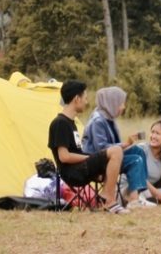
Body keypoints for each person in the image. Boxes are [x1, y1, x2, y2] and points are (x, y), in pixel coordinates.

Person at [47, 79, 129, 214]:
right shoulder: (60, 123)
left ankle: (107, 199)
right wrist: (91, 158)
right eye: (84, 98)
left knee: (115, 155)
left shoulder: (70, 122)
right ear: (76, 99)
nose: (86, 102)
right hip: (73, 173)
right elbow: (64, 157)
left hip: (80, 168)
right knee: (116, 151)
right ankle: (109, 200)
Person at [81, 86, 153, 207]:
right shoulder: (98, 121)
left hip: (110, 157)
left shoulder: (109, 118)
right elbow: (102, 149)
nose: (123, 107)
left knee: (139, 151)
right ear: (112, 103)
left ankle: (137, 193)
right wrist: (125, 144)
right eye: (121, 104)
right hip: (98, 161)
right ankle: (133, 198)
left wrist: (128, 143)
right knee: (136, 160)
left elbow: (114, 147)